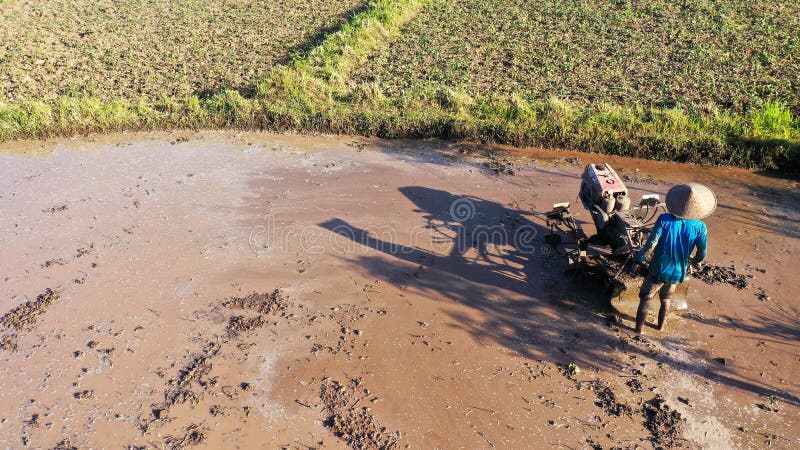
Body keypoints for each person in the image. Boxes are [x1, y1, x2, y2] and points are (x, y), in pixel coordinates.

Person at [634, 182, 716, 333]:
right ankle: (660, 327)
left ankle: (638, 331)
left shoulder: (664, 219)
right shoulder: (700, 227)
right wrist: (695, 261)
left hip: (657, 269)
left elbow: (652, 243)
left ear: (676, 202)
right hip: (677, 273)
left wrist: (640, 257)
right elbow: (702, 252)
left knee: (645, 299)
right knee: (666, 299)